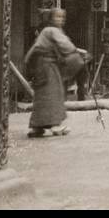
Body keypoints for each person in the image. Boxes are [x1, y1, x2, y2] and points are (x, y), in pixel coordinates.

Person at [23, 7, 87, 139]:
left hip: (46, 66)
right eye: (58, 17)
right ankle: (54, 124)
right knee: (53, 93)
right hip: (47, 67)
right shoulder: (51, 30)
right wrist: (78, 53)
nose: (61, 19)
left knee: (42, 96)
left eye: (63, 17)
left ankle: (37, 127)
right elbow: (66, 46)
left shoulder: (50, 31)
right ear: (51, 18)